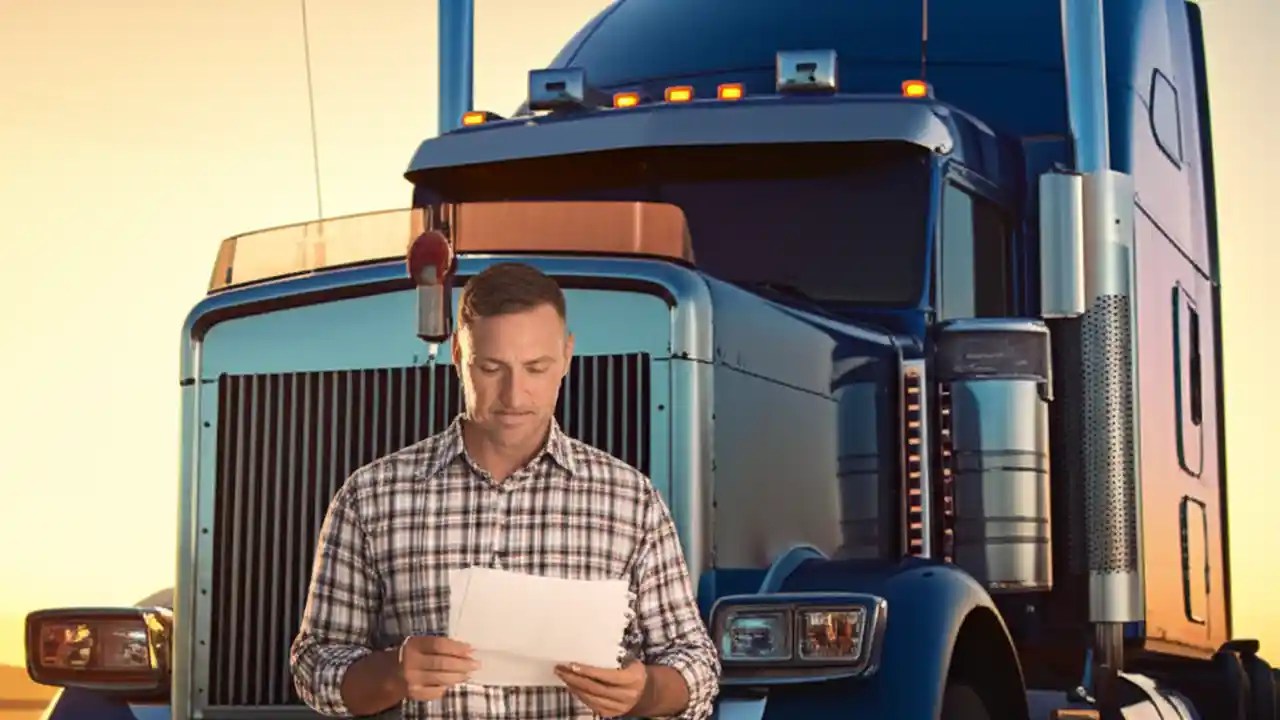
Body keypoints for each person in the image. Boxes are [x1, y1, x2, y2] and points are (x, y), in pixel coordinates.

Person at [290, 261, 720, 719]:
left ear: (567, 356)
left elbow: (696, 663)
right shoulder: (372, 496)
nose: (515, 396)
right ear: (458, 354)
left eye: (537, 368)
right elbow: (314, 663)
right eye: (491, 367)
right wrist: (391, 673)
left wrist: (646, 691)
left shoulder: (631, 501)